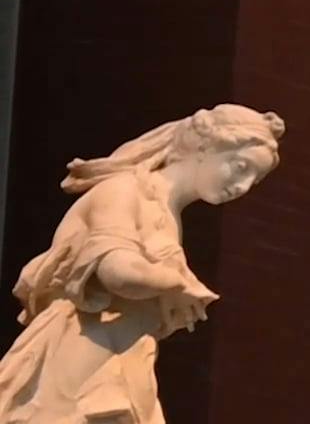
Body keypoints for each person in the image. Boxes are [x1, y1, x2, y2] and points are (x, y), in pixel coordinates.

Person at [0, 104, 283, 424]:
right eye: (239, 167)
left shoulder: (167, 215)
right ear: (207, 146)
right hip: (76, 363)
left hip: (126, 360)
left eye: (253, 181)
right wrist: (176, 283)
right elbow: (116, 272)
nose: (242, 187)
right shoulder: (123, 191)